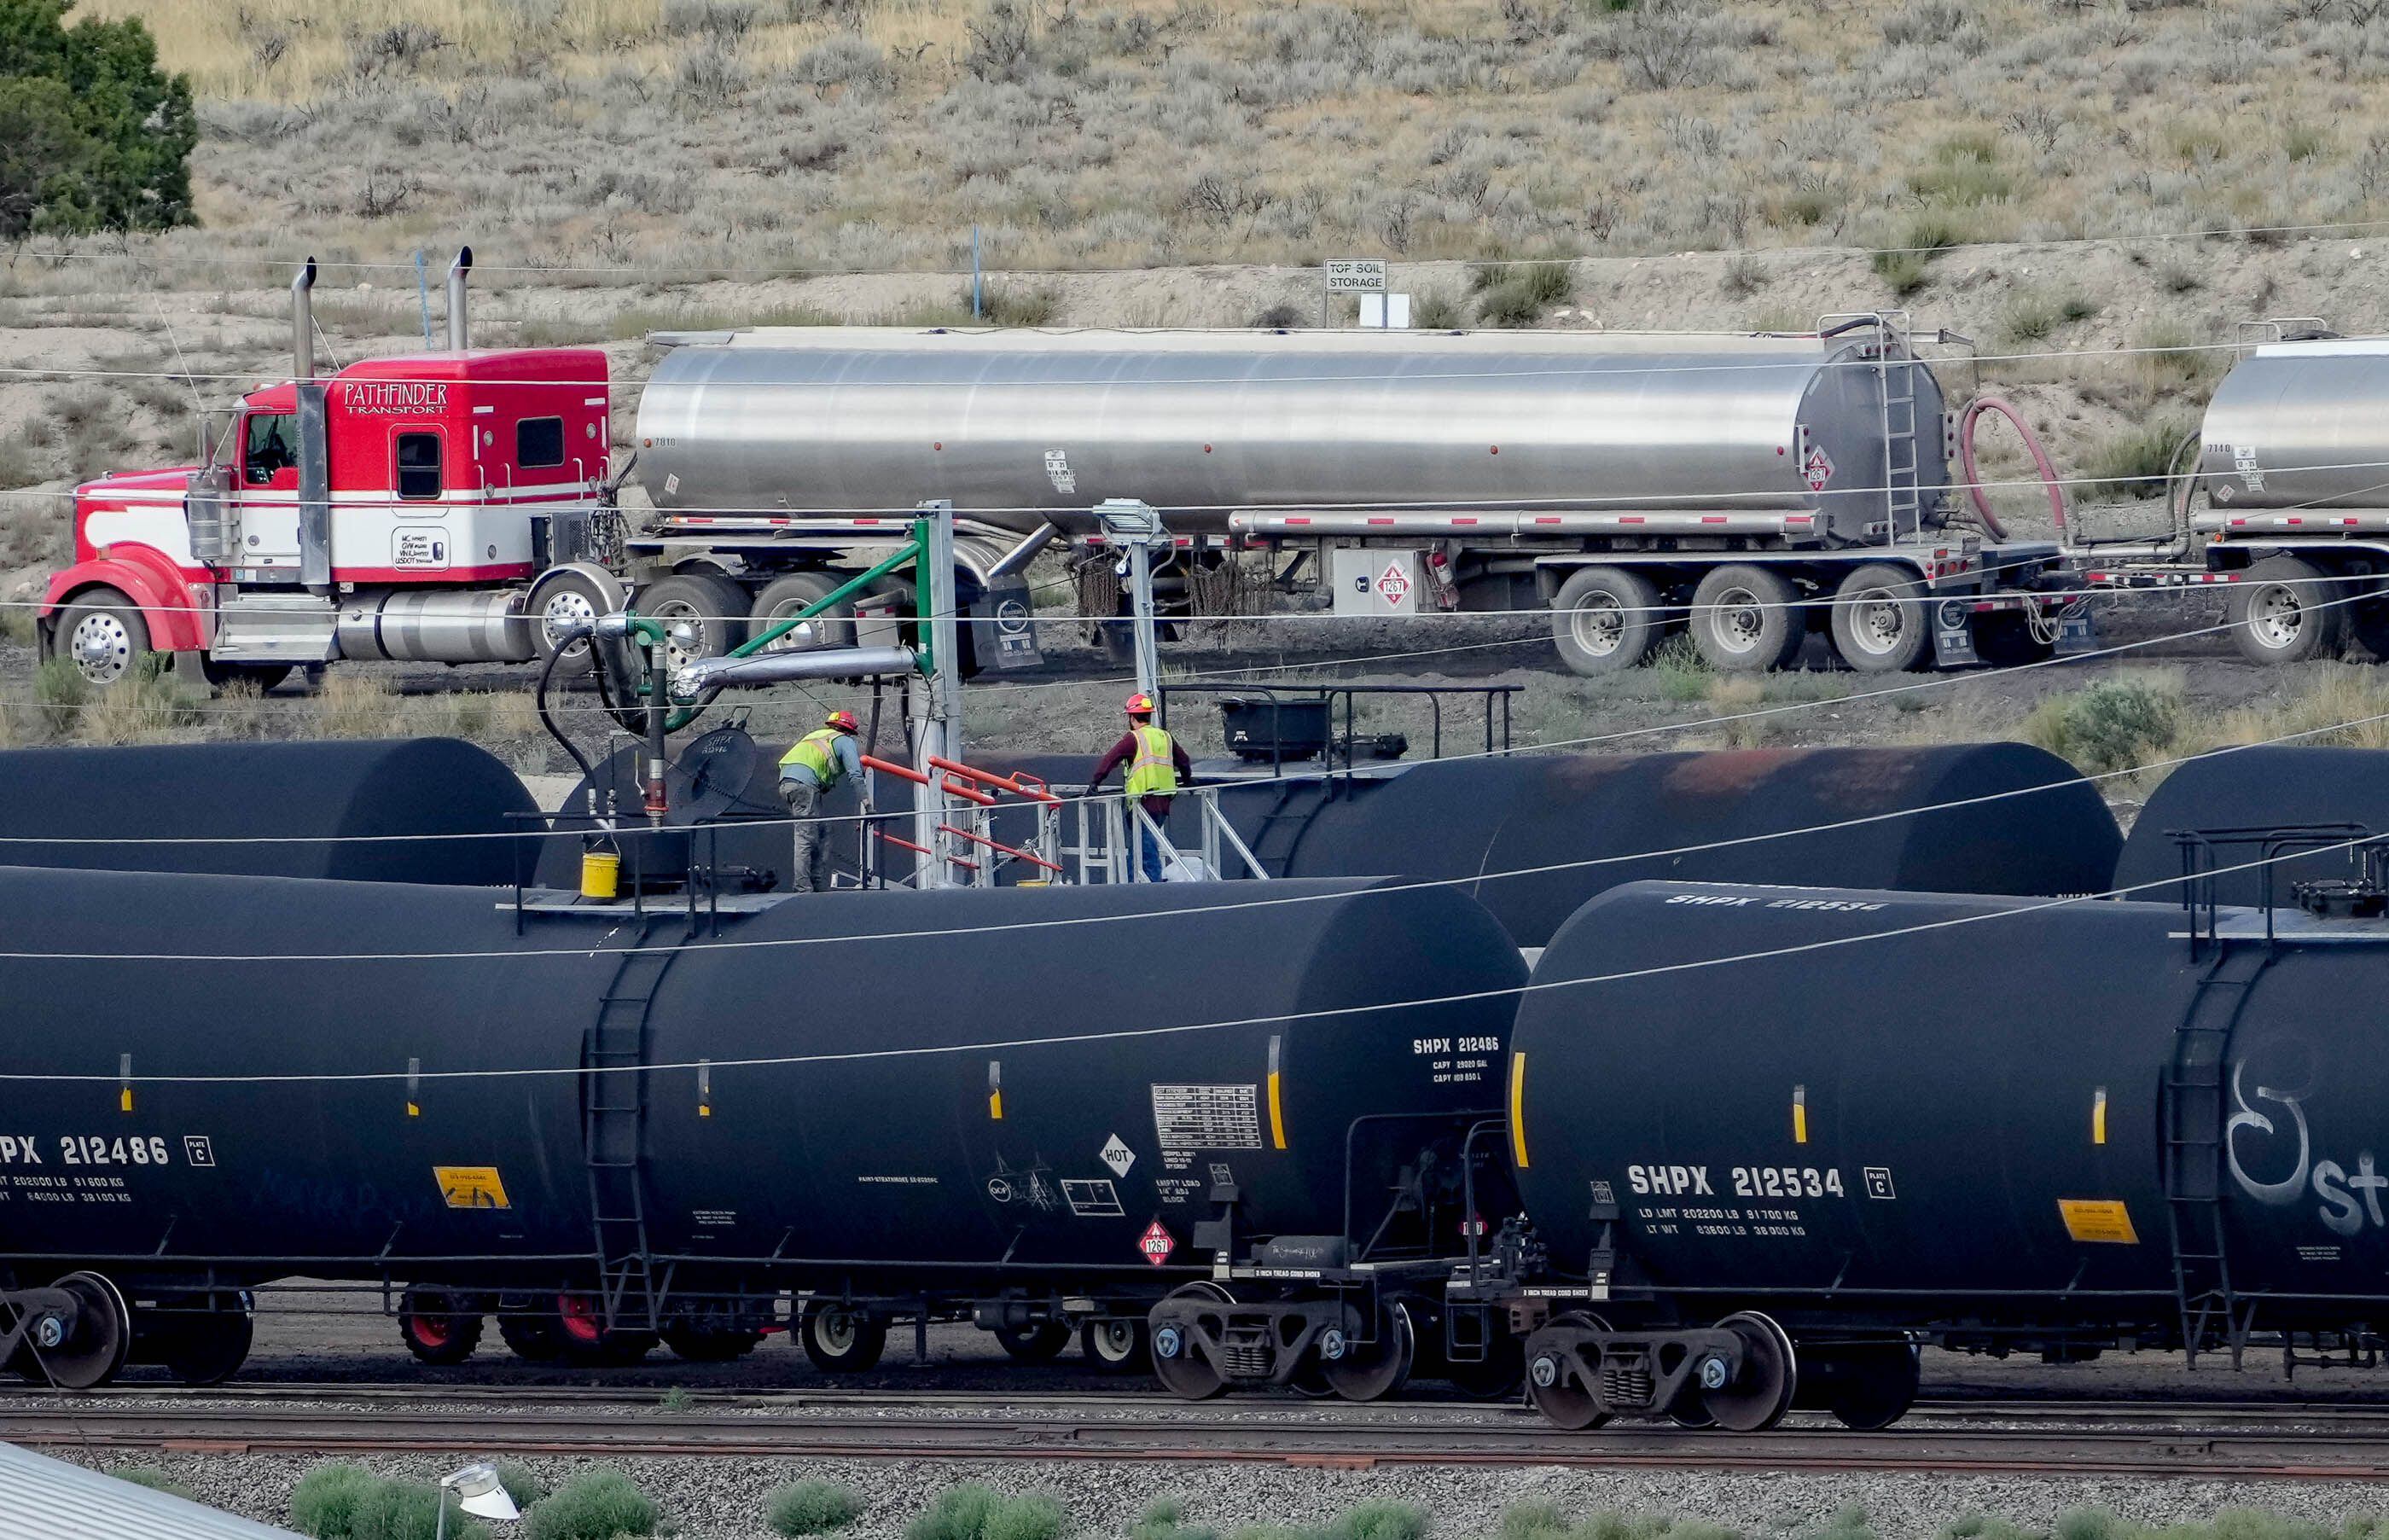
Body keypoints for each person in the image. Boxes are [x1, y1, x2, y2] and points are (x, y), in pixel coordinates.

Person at [1088, 692, 1193, 881]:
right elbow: (1184, 761)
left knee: (1145, 847)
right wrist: (1188, 780)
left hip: (1142, 803)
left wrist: (1095, 782)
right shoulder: (1165, 737)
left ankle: (1150, 886)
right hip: (1163, 802)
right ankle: (1133, 882)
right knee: (1138, 847)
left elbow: (1110, 759)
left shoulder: (1133, 738)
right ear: (1149, 716)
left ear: (1132, 717)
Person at [779, 710, 863, 893]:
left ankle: (815, 881)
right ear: (848, 730)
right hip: (804, 786)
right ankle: (803, 887)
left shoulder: (816, 735)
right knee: (805, 836)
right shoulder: (844, 740)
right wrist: (868, 804)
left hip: (788, 783)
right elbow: (855, 774)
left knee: (823, 829)